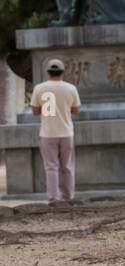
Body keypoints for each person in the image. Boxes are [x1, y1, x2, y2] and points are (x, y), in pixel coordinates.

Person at [30, 58, 80, 205]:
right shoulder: (71, 88)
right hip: (66, 132)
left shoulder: (39, 88)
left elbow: (34, 110)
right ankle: (68, 197)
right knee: (67, 167)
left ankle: (53, 199)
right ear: (63, 72)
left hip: (47, 133)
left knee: (51, 167)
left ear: (48, 72)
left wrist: (46, 109)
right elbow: (76, 110)